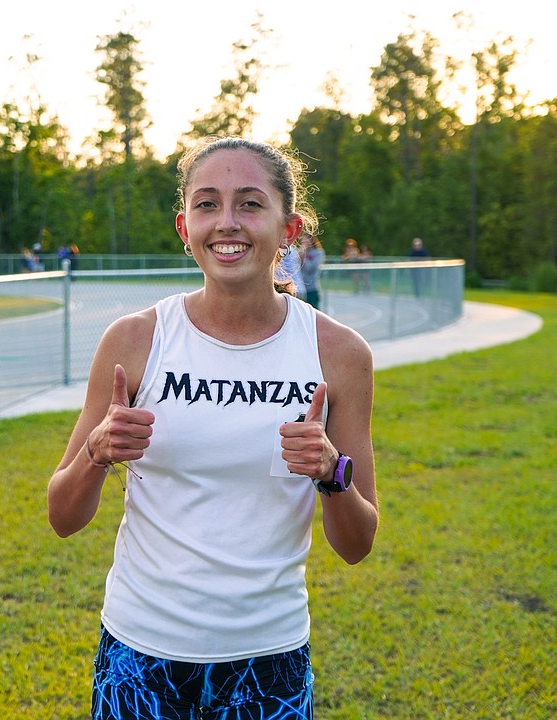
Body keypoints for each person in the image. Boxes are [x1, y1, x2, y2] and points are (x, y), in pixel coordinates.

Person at [47, 137, 379, 719]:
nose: (227, 223)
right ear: (184, 226)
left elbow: (357, 545)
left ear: (290, 228)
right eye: (207, 204)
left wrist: (332, 473)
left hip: (268, 659)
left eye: (250, 204)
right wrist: (97, 456)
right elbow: (62, 516)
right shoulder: (135, 339)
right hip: (139, 650)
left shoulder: (338, 353)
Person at [299, 232, 325, 309]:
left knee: (314, 313)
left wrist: (303, 257)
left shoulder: (318, 253)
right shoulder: (298, 251)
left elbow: (310, 269)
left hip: (311, 288)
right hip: (299, 289)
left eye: (307, 239)